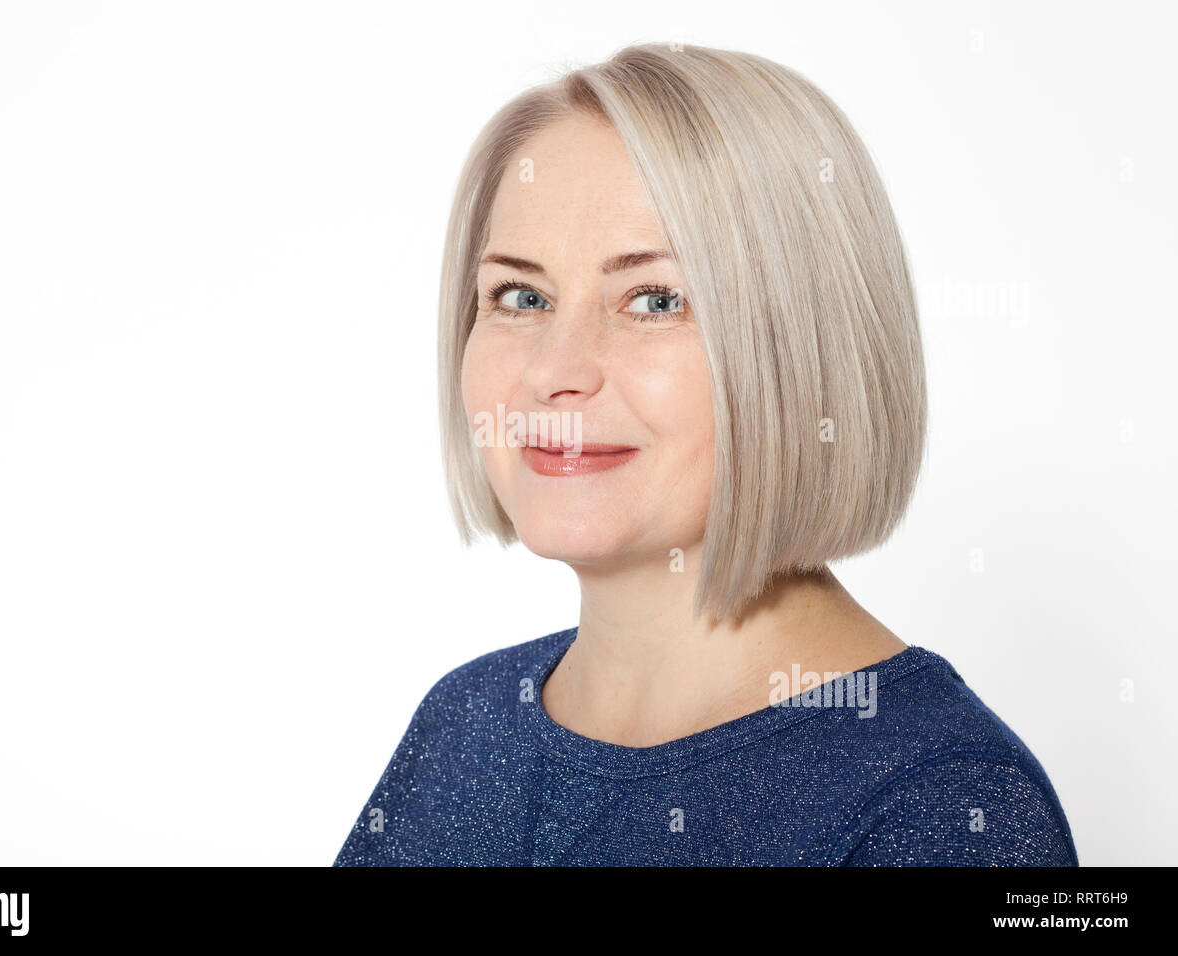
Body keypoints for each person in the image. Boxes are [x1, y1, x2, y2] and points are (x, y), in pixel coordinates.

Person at [334, 43, 1077, 866]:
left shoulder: (945, 803)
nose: (554, 371)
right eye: (521, 296)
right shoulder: (463, 721)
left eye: (654, 300)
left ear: (804, 347)